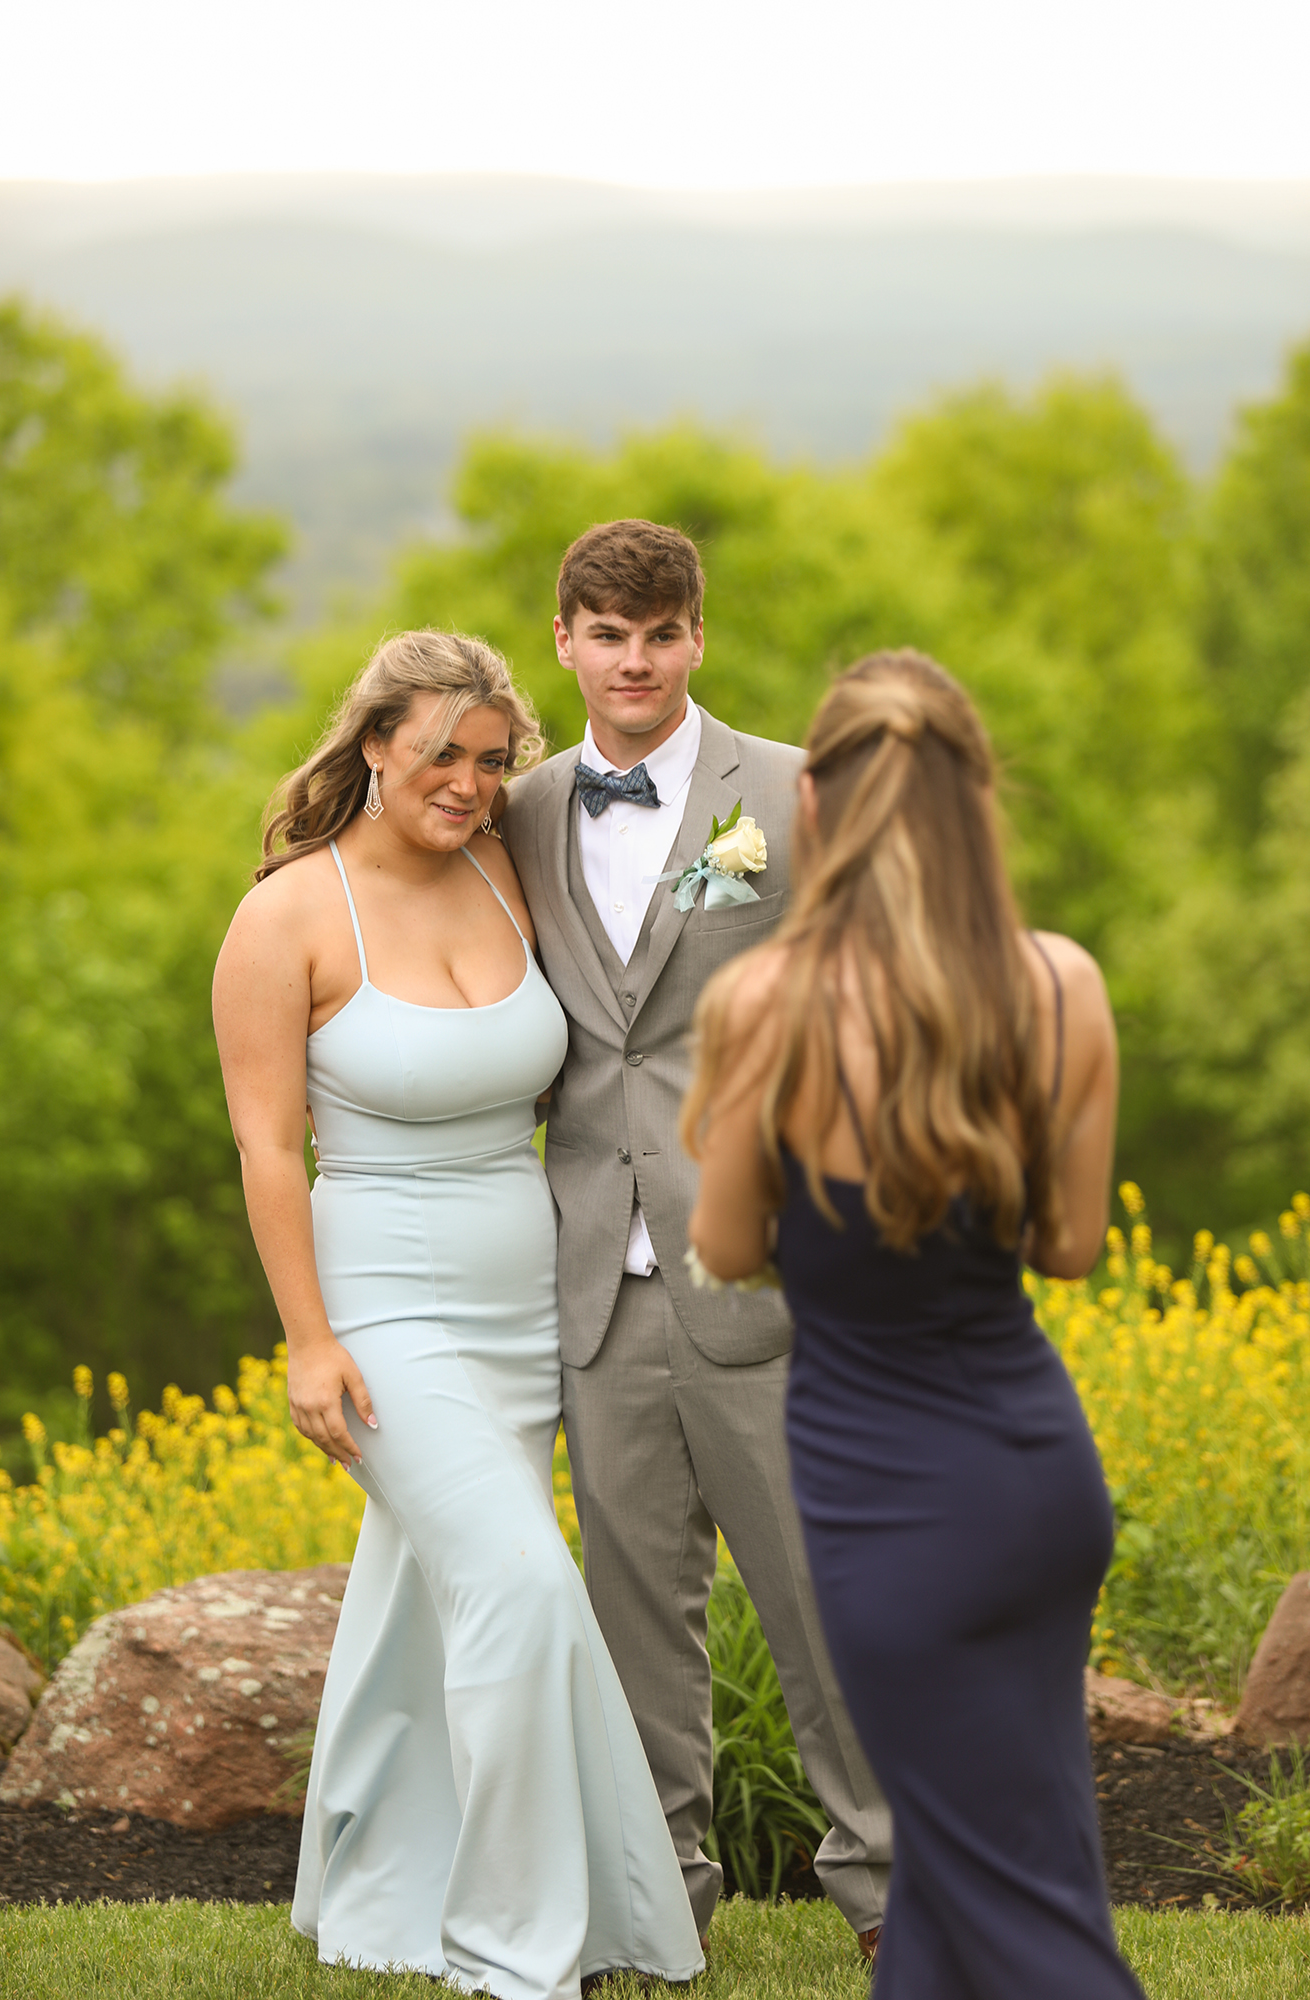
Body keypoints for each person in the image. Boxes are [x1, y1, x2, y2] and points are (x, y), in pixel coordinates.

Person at [211, 630, 702, 2000]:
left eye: (492, 761)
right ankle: (515, 1944)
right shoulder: (288, 915)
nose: (470, 784)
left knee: (427, 1595)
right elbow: (265, 1151)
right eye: (441, 754)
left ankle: (375, 1880)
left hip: (529, 1293)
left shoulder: (507, 869)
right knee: (519, 1587)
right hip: (381, 1310)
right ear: (373, 744)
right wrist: (309, 1340)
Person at [683, 649, 1144, 1998]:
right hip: (1035, 1477)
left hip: (882, 1496)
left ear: (812, 800)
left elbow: (722, 1248)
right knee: (992, 1858)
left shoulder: (764, 1007)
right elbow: (1066, 1247)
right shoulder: (1059, 985)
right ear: (974, 797)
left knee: (1015, 1901)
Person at [502, 520, 892, 1951]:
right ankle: (656, 1911)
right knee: (629, 1627)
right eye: (608, 634)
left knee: (820, 1606)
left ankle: (891, 1898)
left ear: (695, 641)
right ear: (565, 642)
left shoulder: (788, 793)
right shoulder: (522, 807)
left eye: (661, 634)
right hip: (593, 1284)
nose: (635, 661)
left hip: (763, 1273)